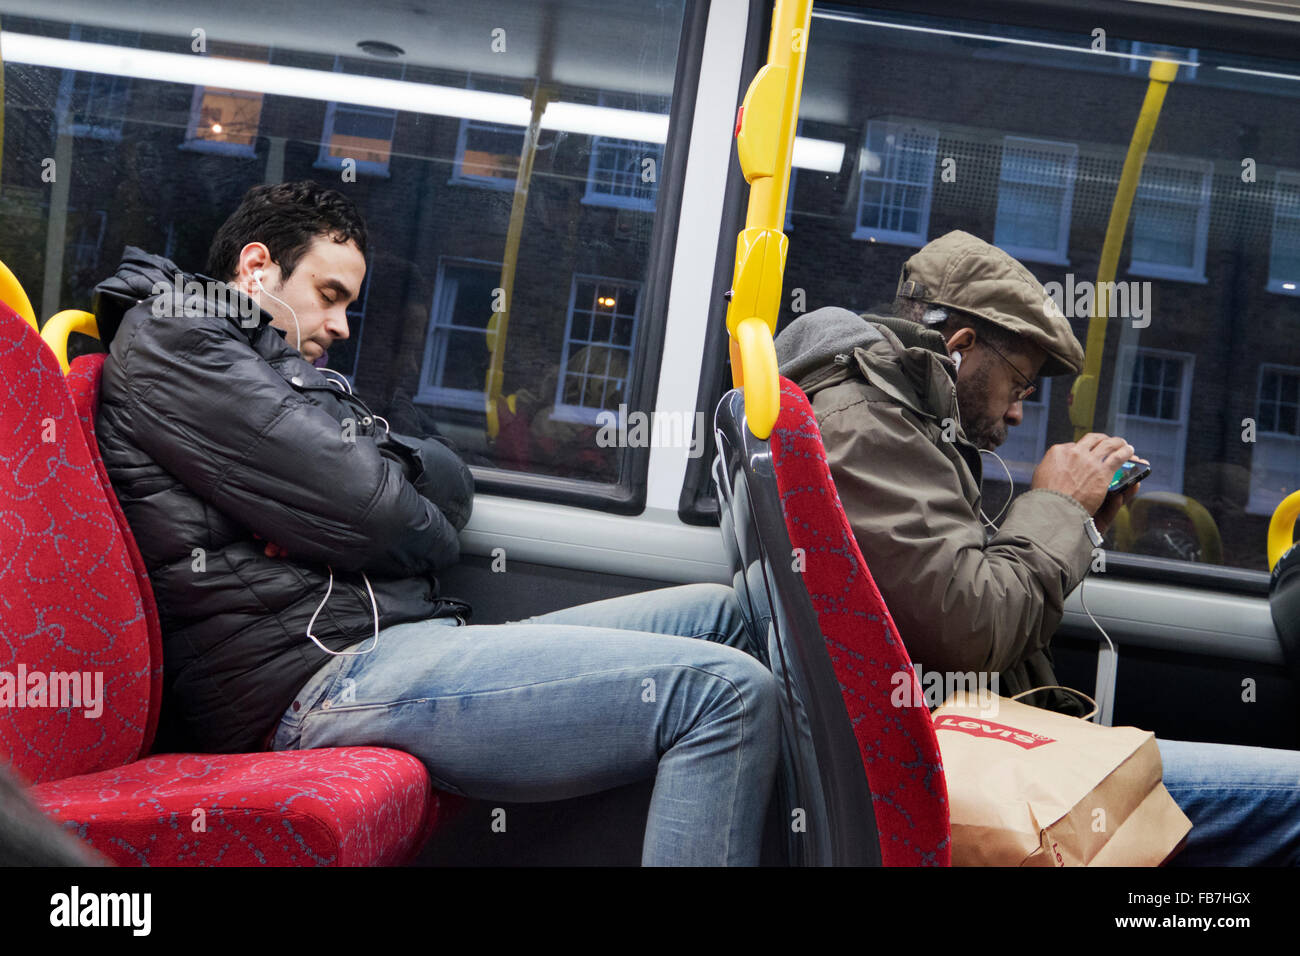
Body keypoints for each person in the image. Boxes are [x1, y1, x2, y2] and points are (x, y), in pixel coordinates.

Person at [92, 180, 779, 866]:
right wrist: (383, 493)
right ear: (256, 268)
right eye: (329, 297)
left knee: (731, 613)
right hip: (315, 681)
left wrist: (376, 489)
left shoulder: (275, 366)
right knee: (725, 696)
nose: (340, 328)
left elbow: (444, 485)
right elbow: (380, 513)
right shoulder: (176, 338)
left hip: (389, 640)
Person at [773, 229, 1300, 866]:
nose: (1019, 413)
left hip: (970, 733)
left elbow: (947, 592)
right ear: (961, 346)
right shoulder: (862, 423)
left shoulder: (898, 421)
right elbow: (969, 626)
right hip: (951, 758)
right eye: (1018, 385)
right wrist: (1056, 507)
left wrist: (1077, 520)